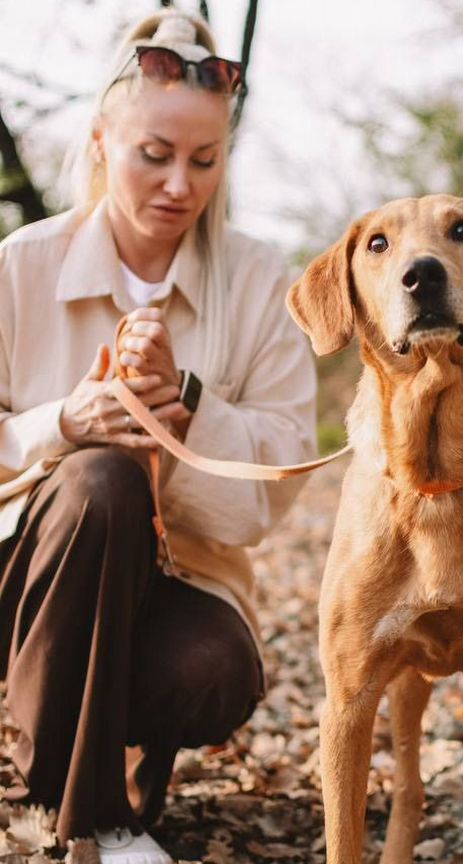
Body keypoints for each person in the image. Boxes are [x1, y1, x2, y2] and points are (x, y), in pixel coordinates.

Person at [0, 10, 316, 863]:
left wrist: (184, 411)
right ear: (102, 143)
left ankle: (106, 786)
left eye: (204, 160)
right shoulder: (20, 264)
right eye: (154, 154)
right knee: (100, 479)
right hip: (18, 573)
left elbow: (270, 495)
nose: (180, 184)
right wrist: (64, 423)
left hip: (176, 580)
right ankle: (87, 814)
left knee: (211, 668)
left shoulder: (260, 280)